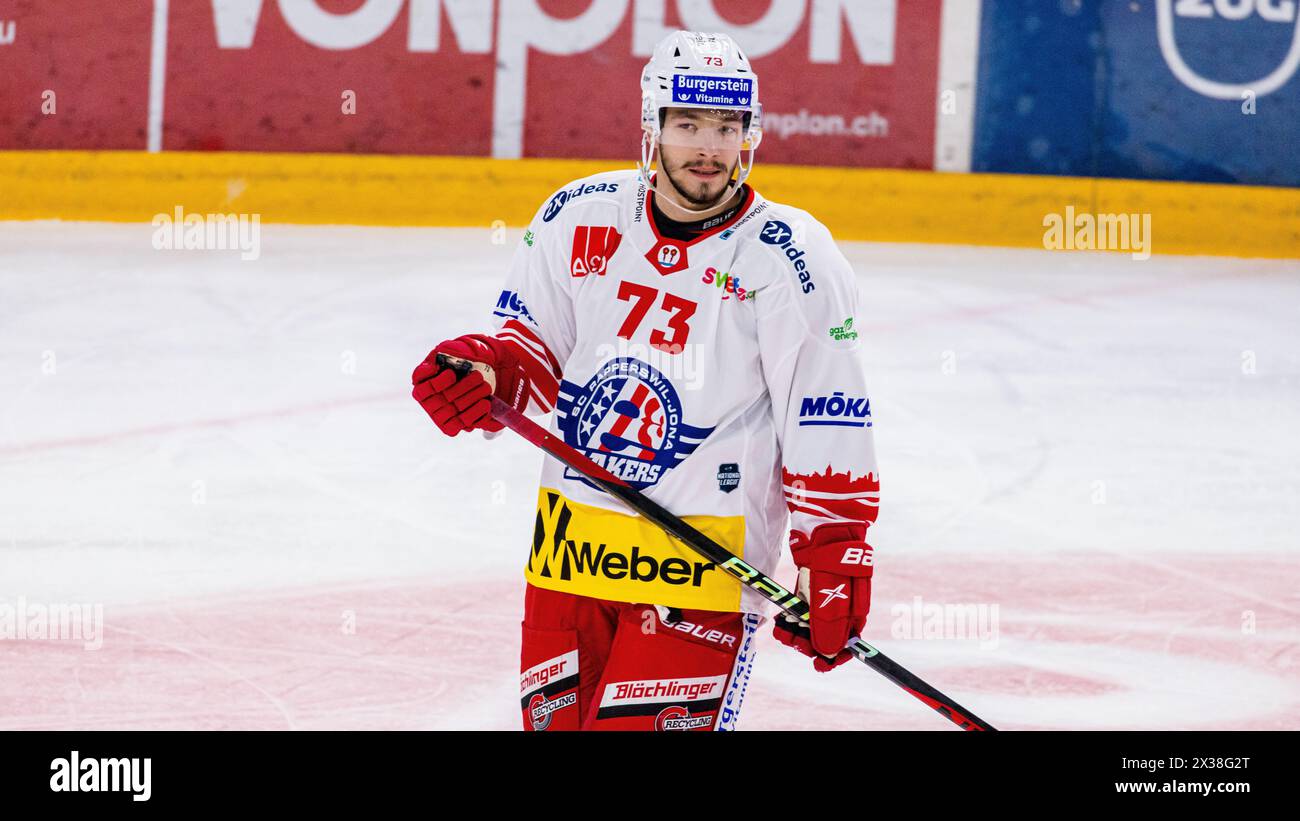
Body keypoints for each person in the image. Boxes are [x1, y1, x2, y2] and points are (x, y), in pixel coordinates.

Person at [412, 30, 880, 731]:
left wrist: (834, 549)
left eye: (726, 127)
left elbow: (825, 414)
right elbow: (530, 361)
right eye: (688, 124)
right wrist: (482, 374)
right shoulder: (580, 217)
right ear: (651, 126)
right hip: (571, 560)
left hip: (700, 578)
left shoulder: (792, 258)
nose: (708, 148)